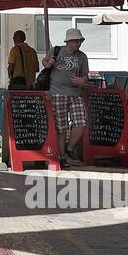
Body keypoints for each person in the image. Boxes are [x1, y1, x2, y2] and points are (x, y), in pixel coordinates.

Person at [43, 27, 90, 165]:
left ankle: (69, 148)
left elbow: (85, 75)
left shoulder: (82, 56)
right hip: (57, 92)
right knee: (61, 127)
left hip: (75, 93)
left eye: (80, 41)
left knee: (81, 121)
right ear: (68, 41)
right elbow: (44, 63)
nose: (78, 44)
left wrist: (82, 80)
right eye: (76, 41)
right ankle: (61, 156)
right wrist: (49, 63)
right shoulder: (56, 51)